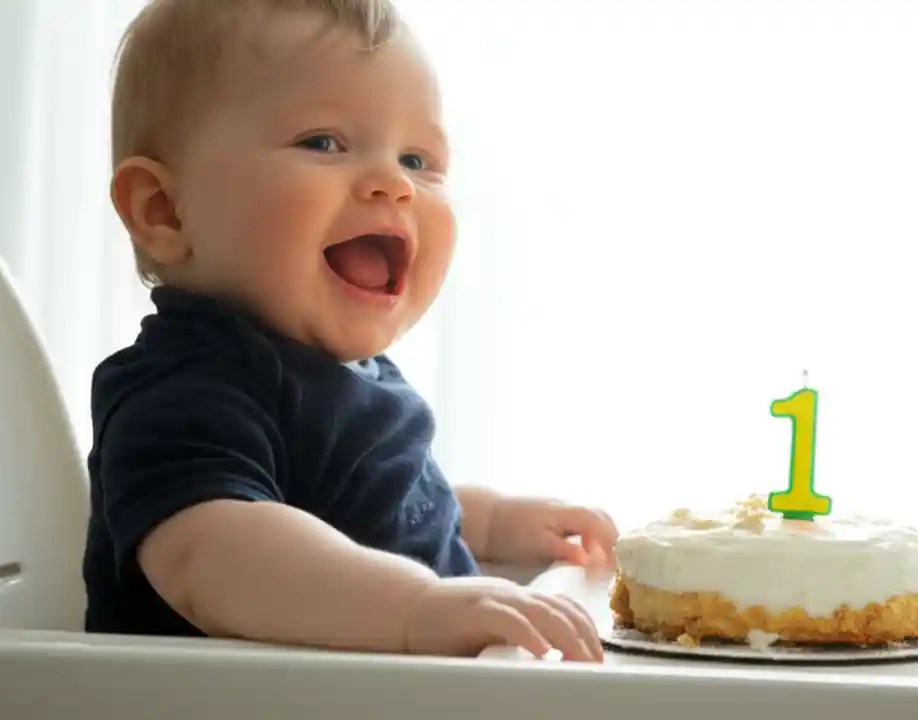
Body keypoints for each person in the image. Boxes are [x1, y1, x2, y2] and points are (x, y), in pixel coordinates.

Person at [82, 0, 617, 663]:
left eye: (419, 160)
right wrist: (417, 606)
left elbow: (380, 507)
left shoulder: (352, 375)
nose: (394, 184)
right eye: (324, 142)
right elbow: (213, 554)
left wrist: (493, 522)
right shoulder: (185, 385)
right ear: (165, 209)